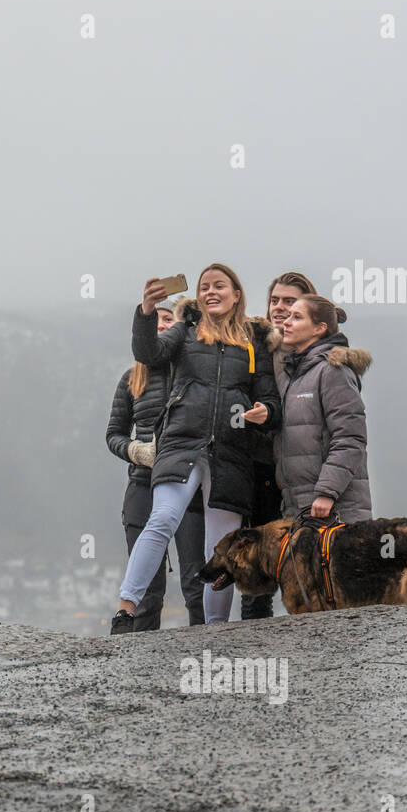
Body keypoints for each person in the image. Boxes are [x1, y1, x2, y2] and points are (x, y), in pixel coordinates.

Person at [110, 264, 281, 630]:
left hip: (231, 456)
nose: (211, 292)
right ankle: (126, 609)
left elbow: (269, 399)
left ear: (236, 294)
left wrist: (265, 411)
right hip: (182, 445)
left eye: (220, 286)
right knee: (162, 520)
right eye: (205, 287)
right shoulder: (185, 333)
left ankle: (215, 629)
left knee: (220, 550)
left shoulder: (253, 345)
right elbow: (148, 352)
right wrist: (145, 313)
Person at [105, 301, 206, 632]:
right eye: (159, 319)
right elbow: (113, 434)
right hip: (142, 484)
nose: (164, 325)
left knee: (196, 580)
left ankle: (203, 653)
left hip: (184, 481)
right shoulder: (131, 378)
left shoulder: (192, 373)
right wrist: (135, 450)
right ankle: (137, 664)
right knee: (148, 589)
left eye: (171, 320)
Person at [240, 271, 316, 619]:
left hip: (300, 473)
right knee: (255, 565)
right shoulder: (253, 344)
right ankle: (256, 647)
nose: (280, 308)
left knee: (304, 569)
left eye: (290, 302)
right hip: (255, 468)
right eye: (275, 300)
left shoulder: (316, 357)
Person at [274, 294, 373, 522]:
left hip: (336, 509)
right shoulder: (288, 378)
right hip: (298, 509)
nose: (286, 322)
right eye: (288, 316)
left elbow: (350, 438)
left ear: (319, 328)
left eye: (296, 317)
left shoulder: (333, 371)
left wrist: (327, 492)